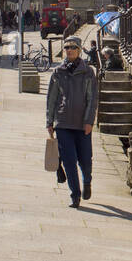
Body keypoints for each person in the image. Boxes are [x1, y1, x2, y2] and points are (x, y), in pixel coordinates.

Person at [46, 35, 97, 207]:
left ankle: (87, 181)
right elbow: (52, 98)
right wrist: (49, 121)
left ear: (79, 49)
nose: (69, 50)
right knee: (68, 160)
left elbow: (92, 99)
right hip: (63, 123)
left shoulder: (88, 72)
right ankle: (75, 195)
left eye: (73, 47)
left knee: (85, 159)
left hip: (83, 124)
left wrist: (89, 121)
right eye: (66, 47)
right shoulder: (58, 72)